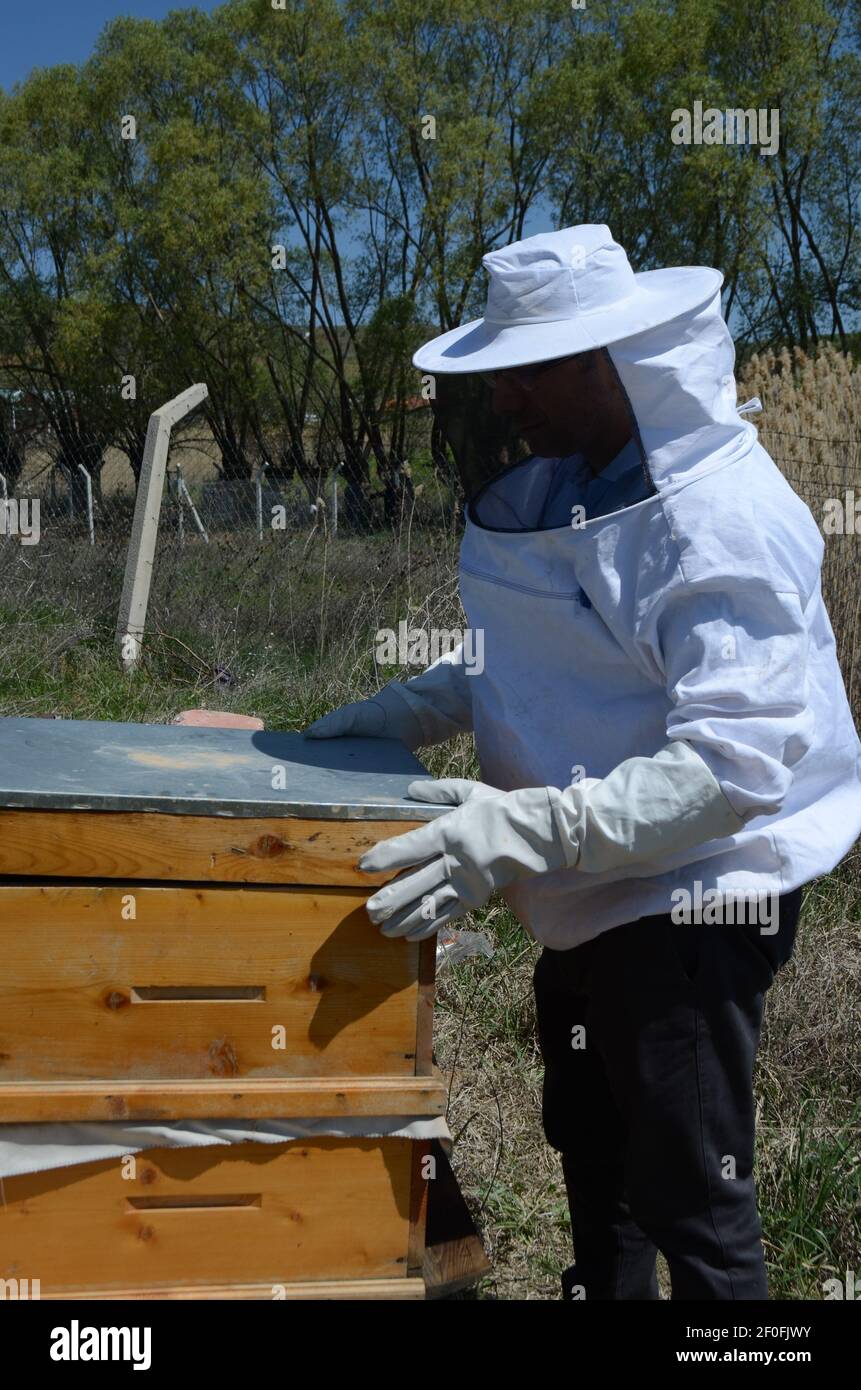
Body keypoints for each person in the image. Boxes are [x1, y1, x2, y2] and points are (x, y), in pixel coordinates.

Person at [304, 224, 861, 1300]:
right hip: (591, 882)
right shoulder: (582, 484)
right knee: (595, 1150)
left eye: (526, 374)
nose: (505, 404)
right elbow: (541, 658)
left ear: (613, 363)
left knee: (693, 1193)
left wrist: (516, 829)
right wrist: (397, 713)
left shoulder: (721, 523)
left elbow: (732, 766)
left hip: (698, 893)